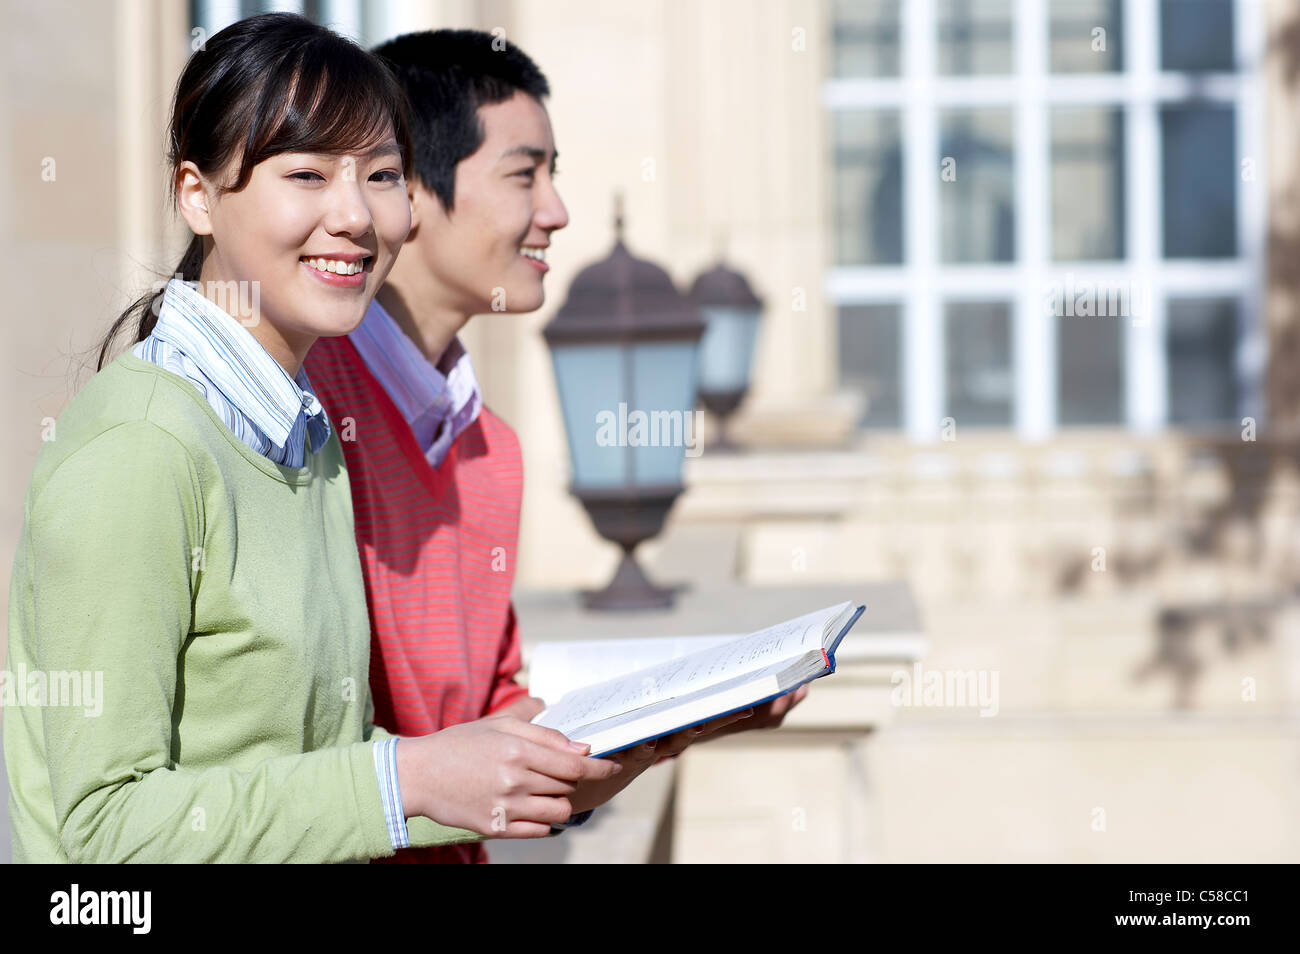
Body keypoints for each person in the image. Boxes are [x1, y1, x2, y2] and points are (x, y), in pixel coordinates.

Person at [2, 12, 616, 864]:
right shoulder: (140, 447)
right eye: (307, 174)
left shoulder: (307, 436)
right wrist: (405, 781)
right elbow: (102, 832)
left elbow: (321, 779)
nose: (354, 215)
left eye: (381, 176)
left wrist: (538, 773)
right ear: (196, 195)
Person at [302, 28, 806, 864]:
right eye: (524, 174)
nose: (556, 211)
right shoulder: (304, 410)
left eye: (554, 175)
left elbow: (497, 731)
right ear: (409, 191)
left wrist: (676, 722)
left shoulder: (490, 449)